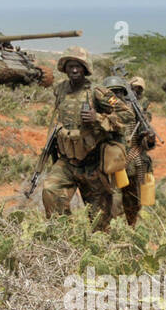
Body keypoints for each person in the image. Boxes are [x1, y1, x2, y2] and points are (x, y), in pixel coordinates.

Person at [39, 47, 134, 232]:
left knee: (100, 221)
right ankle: (63, 237)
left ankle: (99, 252)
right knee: (50, 190)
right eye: (70, 66)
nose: (74, 70)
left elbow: (128, 115)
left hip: (93, 165)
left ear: (85, 69)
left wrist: (97, 118)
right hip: (67, 162)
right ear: (65, 69)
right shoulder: (60, 90)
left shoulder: (98, 92)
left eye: (78, 66)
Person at [107, 75, 156, 227]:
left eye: (139, 90)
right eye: (132, 89)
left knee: (133, 202)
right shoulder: (106, 110)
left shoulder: (138, 112)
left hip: (133, 164)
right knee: (112, 202)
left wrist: (149, 138)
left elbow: (145, 144)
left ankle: (130, 229)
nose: (135, 93)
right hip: (112, 163)